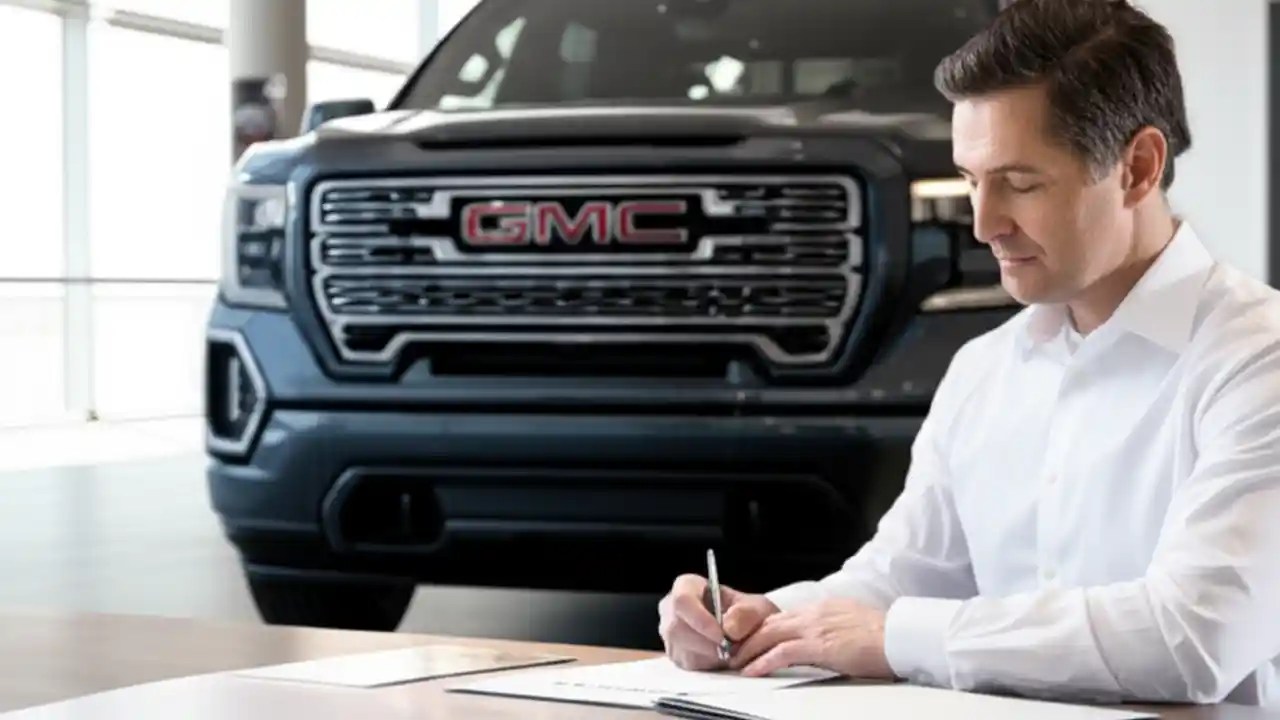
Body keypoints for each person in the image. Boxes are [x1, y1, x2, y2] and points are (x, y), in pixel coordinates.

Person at [658, 0, 1280, 707]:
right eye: (970, 179)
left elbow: (1193, 637)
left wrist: (895, 637)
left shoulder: (1259, 361)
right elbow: (899, 579)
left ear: (1137, 168)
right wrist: (761, 620)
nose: (983, 224)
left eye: (1020, 183)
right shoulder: (985, 369)